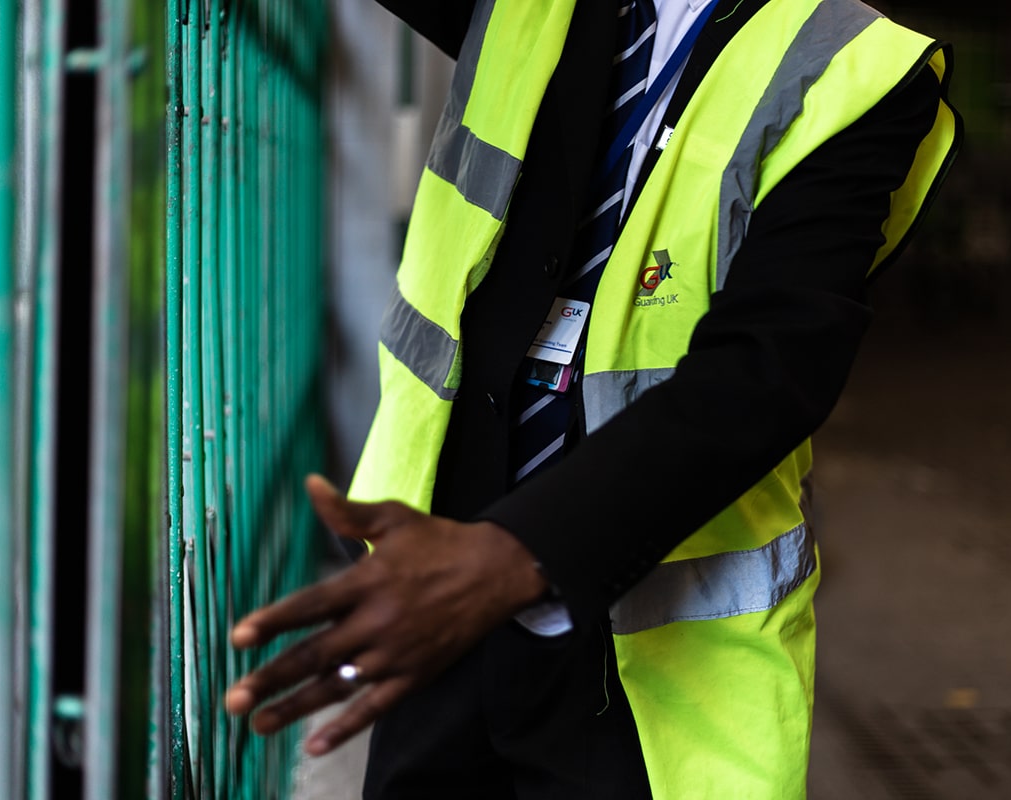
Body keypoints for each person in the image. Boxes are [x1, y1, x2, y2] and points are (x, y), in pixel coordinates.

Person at [225, 0, 961, 797]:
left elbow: (768, 370)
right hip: (443, 604)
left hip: (649, 684)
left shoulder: (857, 67)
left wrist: (515, 555)